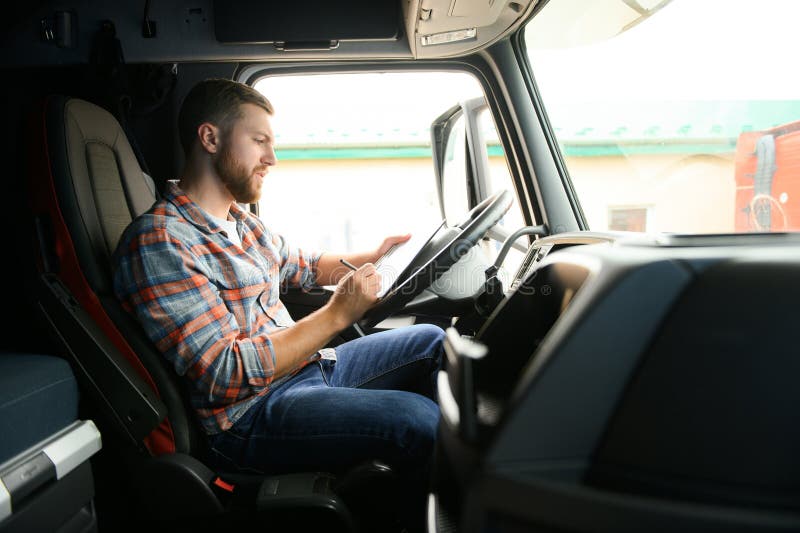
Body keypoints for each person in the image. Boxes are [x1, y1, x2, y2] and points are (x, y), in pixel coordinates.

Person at [112, 78, 444, 509]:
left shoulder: (243, 223)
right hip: (250, 417)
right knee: (419, 420)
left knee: (433, 341)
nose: (272, 157)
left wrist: (376, 256)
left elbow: (306, 265)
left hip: (307, 370)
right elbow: (225, 374)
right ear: (210, 138)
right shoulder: (161, 242)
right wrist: (337, 314)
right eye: (259, 141)